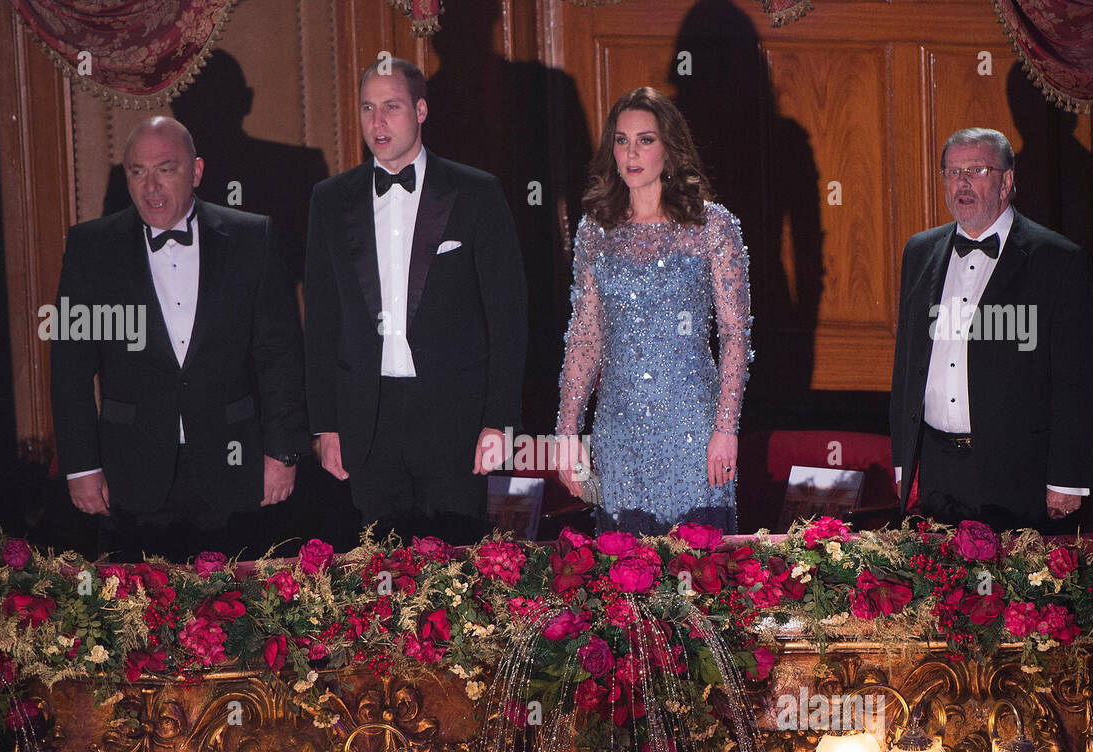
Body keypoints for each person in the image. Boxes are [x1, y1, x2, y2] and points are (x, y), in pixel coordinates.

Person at [51, 116, 310, 561]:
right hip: (131, 477)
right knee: (134, 620)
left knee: (241, 618)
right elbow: (70, 369)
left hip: (234, 469)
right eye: (137, 172)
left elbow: (280, 356)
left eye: (165, 169)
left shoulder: (252, 238)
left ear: (196, 171)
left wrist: (283, 453)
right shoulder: (91, 248)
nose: (151, 187)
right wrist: (81, 466)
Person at [303, 58, 527, 545]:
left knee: (459, 576)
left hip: (456, 420)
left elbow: (508, 319)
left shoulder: (476, 192)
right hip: (367, 419)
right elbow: (320, 322)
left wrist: (499, 422)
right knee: (376, 576)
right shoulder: (330, 199)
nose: (377, 122)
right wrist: (325, 426)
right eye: (367, 108)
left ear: (421, 110)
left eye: (391, 107)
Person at [555, 87, 752, 535]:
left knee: (700, 585)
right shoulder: (596, 230)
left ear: (669, 146)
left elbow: (735, 334)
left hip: (694, 431)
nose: (632, 152)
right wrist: (567, 431)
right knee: (627, 585)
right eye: (622, 141)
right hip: (619, 436)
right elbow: (585, 336)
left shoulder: (710, 225)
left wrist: (726, 427)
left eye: (646, 139)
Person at [889, 127, 1093, 531]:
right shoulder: (919, 251)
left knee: (1012, 593)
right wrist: (904, 463)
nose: (961, 183)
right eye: (952, 172)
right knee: (939, 591)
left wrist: (1067, 479)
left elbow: (1075, 382)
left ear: (1006, 181)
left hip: (1016, 473)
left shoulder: (1057, 260)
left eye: (976, 170)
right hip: (936, 470)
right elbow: (907, 366)